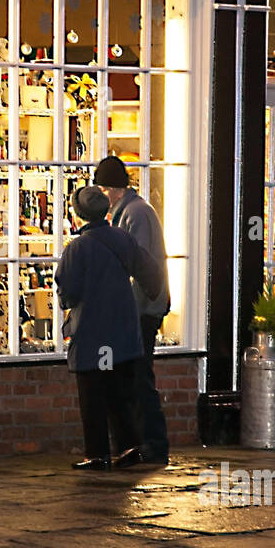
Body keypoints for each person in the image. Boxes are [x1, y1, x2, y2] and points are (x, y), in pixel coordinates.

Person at [56, 185, 165, 471]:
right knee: (121, 392)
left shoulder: (77, 248)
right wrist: (152, 300)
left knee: (92, 394)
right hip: (123, 328)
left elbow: (68, 290)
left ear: (78, 216)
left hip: (93, 330)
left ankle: (97, 453)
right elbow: (150, 272)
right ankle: (129, 447)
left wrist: (67, 302)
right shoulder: (123, 239)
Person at [94, 155, 171, 466]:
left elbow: (135, 261)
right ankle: (144, 443)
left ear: (112, 189)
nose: (101, 196)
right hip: (140, 306)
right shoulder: (133, 211)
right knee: (135, 376)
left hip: (142, 308)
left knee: (139, 377)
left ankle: (153, 443)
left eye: (101, 189)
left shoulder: (135, 215)